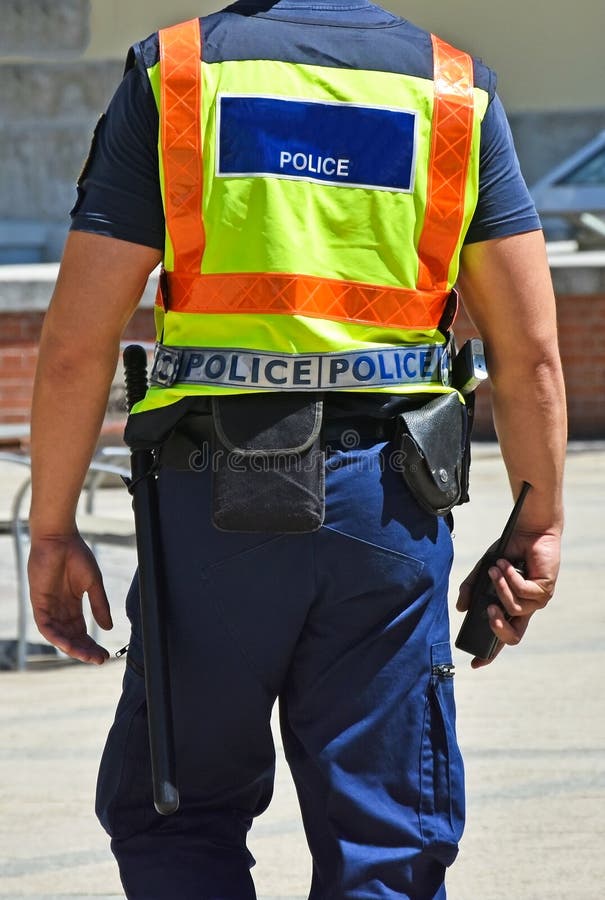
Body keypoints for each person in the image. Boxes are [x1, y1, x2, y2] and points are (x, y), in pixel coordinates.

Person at [27, 1, 566, 897]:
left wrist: (52, 527)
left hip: (206, 516)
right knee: (385, 840)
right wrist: (536, 518)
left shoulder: (179, 74)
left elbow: (77, 345)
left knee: (181, 819)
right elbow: (532, 357)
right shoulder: (452, 92)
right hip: (390, 506)